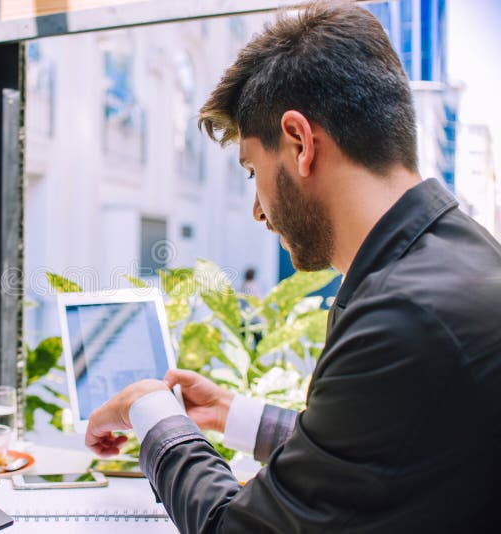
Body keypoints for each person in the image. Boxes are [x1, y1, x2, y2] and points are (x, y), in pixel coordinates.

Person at [85, 2, 501, 532]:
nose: (258, 210)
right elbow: (377, 453)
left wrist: (152, 413)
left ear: (300, 143)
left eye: (252, 170)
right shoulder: (457, 255)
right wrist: (231, 414)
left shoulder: (403, 316)